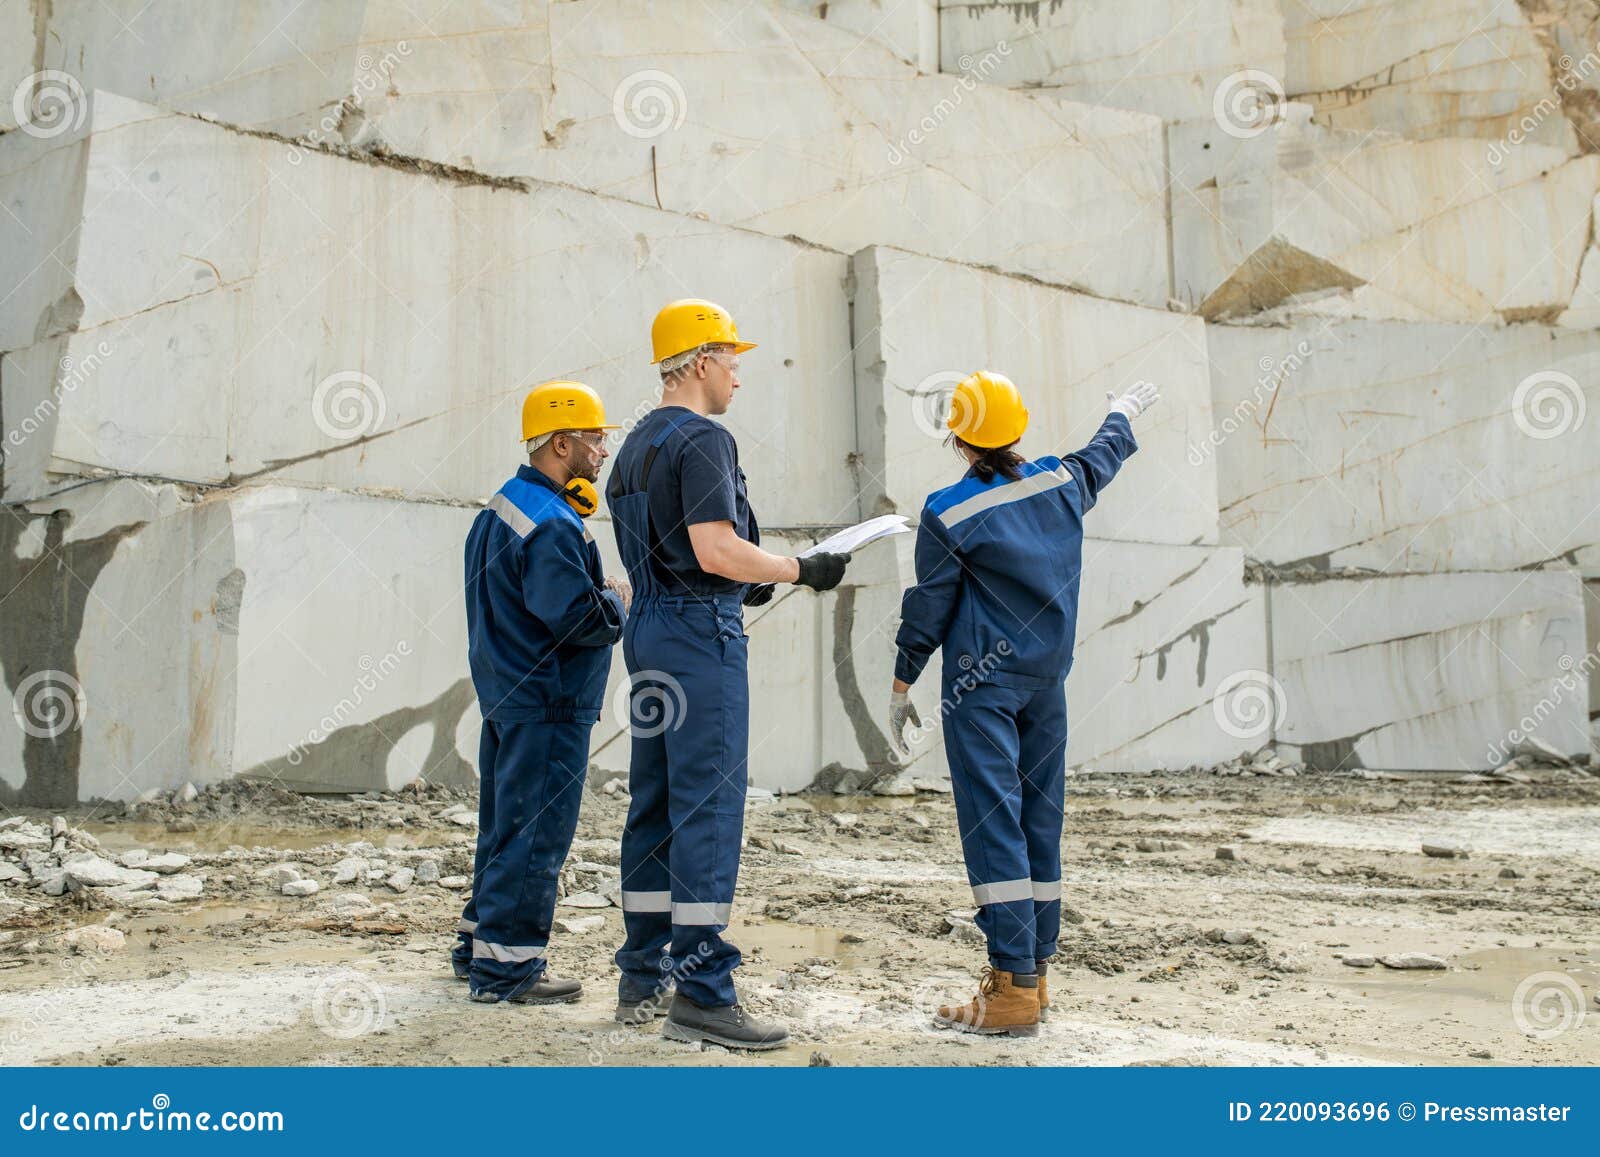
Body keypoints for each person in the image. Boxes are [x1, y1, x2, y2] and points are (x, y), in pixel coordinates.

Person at [607, 298, 851, 1049]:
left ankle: (644, 972)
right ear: (703, 361)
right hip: (697, 632)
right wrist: (800, 567)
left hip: (647, 629)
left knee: (654, 802)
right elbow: (714, 548)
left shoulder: (632, 446)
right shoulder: (705, 439)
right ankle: (705, 991)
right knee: (707, 807)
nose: (740, 375)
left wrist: (752, 577)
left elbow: (675, 547)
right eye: (734, 360)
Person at [887, 371, 1161, 1036]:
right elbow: (1104, 453)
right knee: (1040, 820)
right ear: (1019, 426)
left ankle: (1011, 985)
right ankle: (1033, 974)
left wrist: (903, 677)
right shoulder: (1059, 482)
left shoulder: (948, 510)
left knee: (993, 823)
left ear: (958, 436)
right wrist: (1121, 410)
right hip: (1047, 679)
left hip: (983, 687)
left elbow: (931, 604)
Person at [452, 380, 631, 1004]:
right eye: (594, 437)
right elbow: (577, 619)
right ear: (561, 442)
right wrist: (615, 599)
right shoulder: (553, 524)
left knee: (503, 826)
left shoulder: (501, 508)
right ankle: (507, 969)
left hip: (508, 695)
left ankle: (477, 946)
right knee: (535, 835)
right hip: (550, 702)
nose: (603, 449)